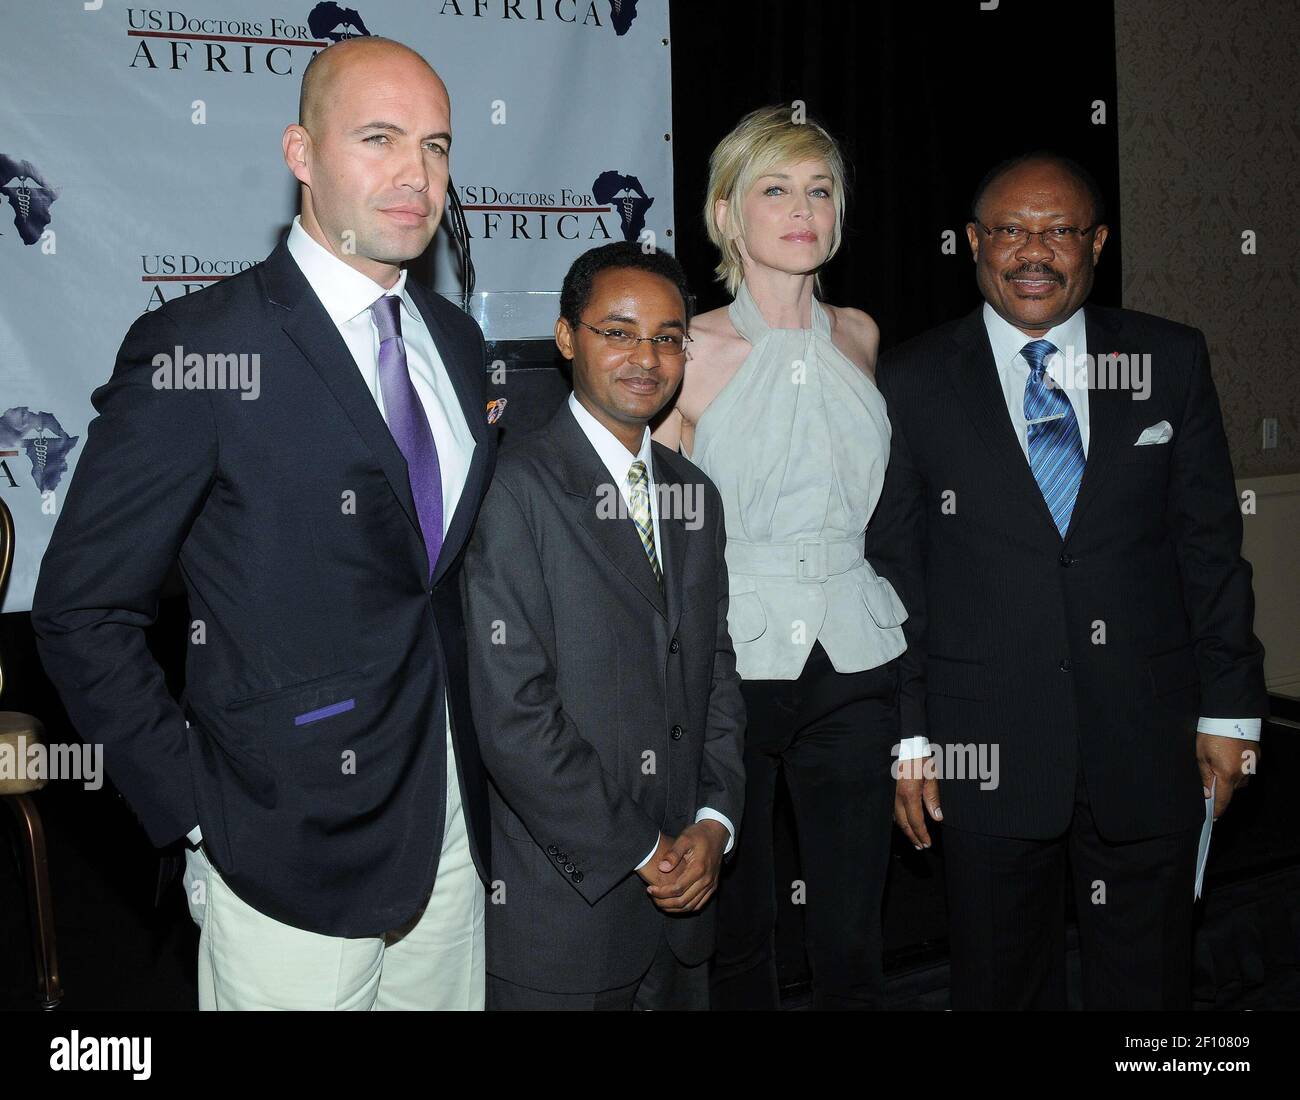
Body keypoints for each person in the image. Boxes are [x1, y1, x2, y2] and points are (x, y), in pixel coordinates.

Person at [31, 36, 497, 1010]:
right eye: (379, 137)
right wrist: (199, 814)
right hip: (283, 848)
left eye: (437, 145)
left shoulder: (456, 342)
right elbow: (81, 609)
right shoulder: (200, 348)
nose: (417, 174)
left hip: (450, 826)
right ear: (301, 153)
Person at [866, 151, 1268, 1010]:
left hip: (1150, 737)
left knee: (1150, 987)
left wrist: (1232, 710)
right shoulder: (910, 379)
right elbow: (899, 577)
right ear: (974, 241)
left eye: (1059, 231)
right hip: (983, 746)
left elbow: (1210, 550)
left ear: (1098, 243)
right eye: (1011, 230)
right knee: (1000, 986)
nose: (1033, 252)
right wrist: (909, 736)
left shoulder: (1168, 357)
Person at [653, 105, 908, 1010]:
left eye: (820, 190)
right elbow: (664, 542)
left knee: (853, 930)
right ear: (726, 214)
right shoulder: (688, 349)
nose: (803, 209)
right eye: (776, 189)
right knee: (740, 928)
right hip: (734, 664)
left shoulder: (861, 335)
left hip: (856, 658)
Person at [462, 242, 746, 1010]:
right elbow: (513, 714)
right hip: (565, 918)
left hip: (687, 905)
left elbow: (716, 670)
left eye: (667, 337)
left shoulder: (695, 494)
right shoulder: (510, 489)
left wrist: (715, 823)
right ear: (566, 338)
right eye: (617, 332)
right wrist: (643, 849)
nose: (645, 358)